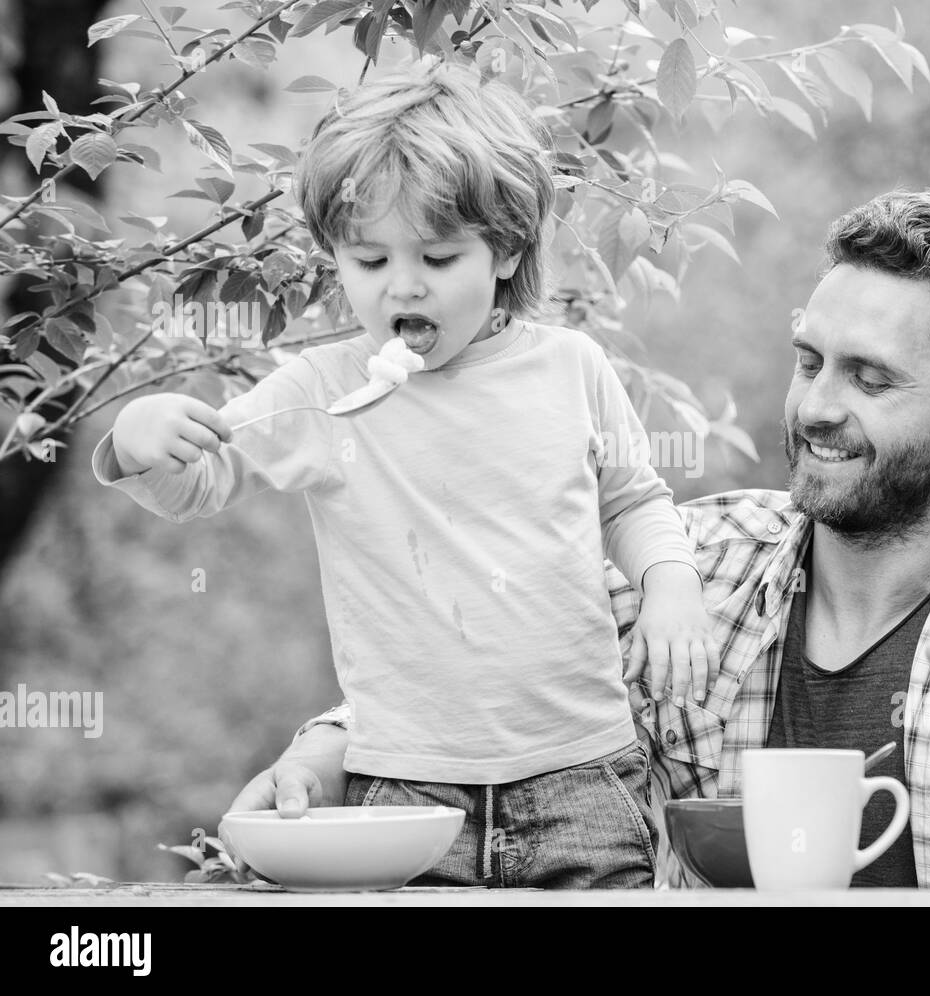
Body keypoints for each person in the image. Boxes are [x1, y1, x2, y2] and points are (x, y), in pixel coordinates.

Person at [226, 189, 930, 888]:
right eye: (809, 361)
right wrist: (329, 748)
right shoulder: (702, 559)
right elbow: (516, 660)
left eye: (870, 380)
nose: (816, 408)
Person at [91, 62, 721, 889]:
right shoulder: (322, 390)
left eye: (437, 254)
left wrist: (670, 583)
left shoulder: (571, 368)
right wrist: (139, 437)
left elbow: (634, 502)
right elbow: (198, 481)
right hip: (404, 789)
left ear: (505, 251)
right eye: (370, 259)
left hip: (584, 778)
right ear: (336, 258)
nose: (404, 283)